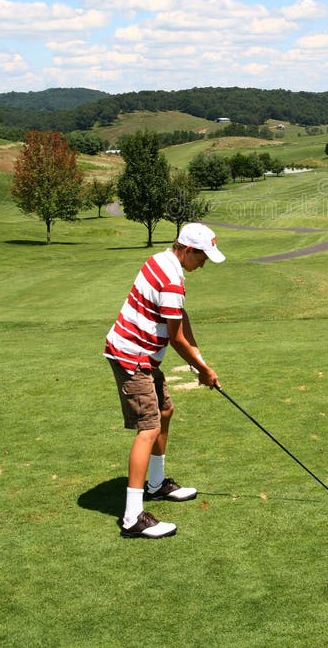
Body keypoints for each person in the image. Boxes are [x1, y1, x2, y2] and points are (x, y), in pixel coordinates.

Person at [104, 222, 225, 539]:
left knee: (165, 411)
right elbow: (175, 338)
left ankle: (156, 485)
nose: (204, 264)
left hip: (143, 355)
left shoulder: (163, 261)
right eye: (202, 257)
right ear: (188, 250)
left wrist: (199, 358)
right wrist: (202, 369)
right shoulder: (171, 279)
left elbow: (180, 317)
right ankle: (132, 518)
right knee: (149, 427)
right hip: (132, 356)